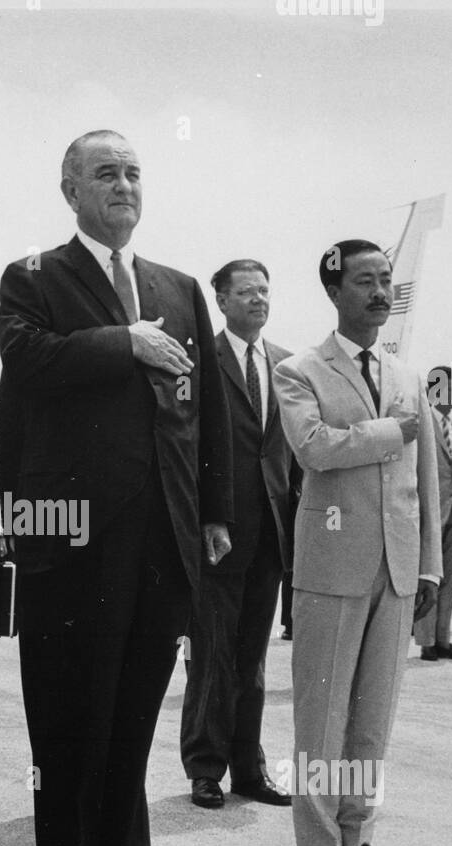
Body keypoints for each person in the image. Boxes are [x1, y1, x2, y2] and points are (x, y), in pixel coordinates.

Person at [0, 129, 233, 846]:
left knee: (132, 723)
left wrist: (214, 511)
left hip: (160, 547)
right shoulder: (34, 278)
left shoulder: (180, 286)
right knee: (68, 725)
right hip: (73, 548)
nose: (123, 185)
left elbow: (209, 416)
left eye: (133, 172)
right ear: (70, 191)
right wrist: (123, 341)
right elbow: (26, 365)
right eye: (105, 173)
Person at [271, 239, 440, 846]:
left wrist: (429, 567)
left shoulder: (407, 376)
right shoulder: (302, 371)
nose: (380, 293)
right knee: (323, 714)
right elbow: (313, 450)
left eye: (387, 281)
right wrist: (390, 432)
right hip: (332, 564)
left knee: (373, 715)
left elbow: (425, 480)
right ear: (335, 292)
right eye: (366, 282)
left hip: (397, 571)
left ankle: (358, 837)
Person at [181, 258, 293, 810]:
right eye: (245, 291)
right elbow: (193, 444)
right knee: (212, 654)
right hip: (219, 532)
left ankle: (250, 768)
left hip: (270, 532)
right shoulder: (205, 360)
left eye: (264, 291)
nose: (257, 299)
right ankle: (205, 769)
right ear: (220, 301)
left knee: (252, 658)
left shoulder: (287, 365)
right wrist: (208, 517)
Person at [413, 366, 452, 661]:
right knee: (427, 579)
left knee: (449, 579)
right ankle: (426, 642)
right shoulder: (418, 423)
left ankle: (443, 639)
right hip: (429, 514)